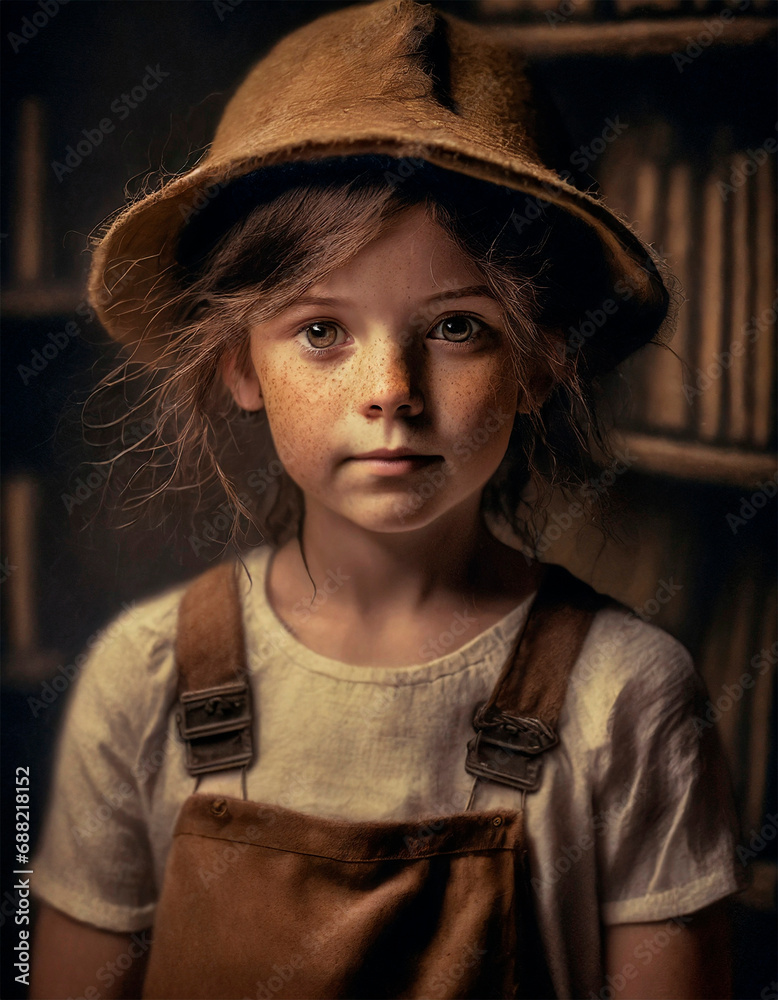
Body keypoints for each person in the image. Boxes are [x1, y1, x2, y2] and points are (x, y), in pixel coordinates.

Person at [30, 1, 744, 998]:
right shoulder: (143, 682)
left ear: (539, 362)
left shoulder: (627, 699)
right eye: (321, 331)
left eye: (457, 327)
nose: (391, 390)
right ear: (239, 362)